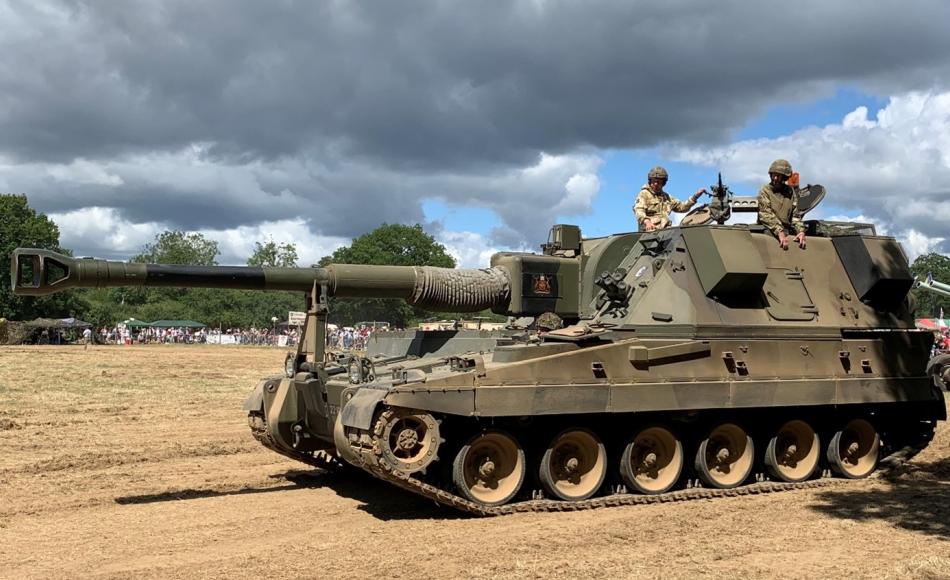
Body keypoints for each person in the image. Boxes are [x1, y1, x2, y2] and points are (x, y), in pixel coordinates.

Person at [634, 166, 706, 232]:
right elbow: (638, 210)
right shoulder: (644, 194)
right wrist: (647, 222)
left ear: (663, 183)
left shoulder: (666, 197)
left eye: (659, 182)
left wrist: (695, 196)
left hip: (666, 232)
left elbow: (682, 207)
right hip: (649, 232)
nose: (656, 184)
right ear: (650, 181)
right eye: (654, 181)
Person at [757, 159, 806, 250]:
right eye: (774, 175)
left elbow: (795, 216)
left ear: (784, 177)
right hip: (768, 232)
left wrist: (800, 231)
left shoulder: (790, 191)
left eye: (779, 176)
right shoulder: (765, 190)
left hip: (786, 232)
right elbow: (765, 214)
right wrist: (780, 231)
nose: (775, 178)